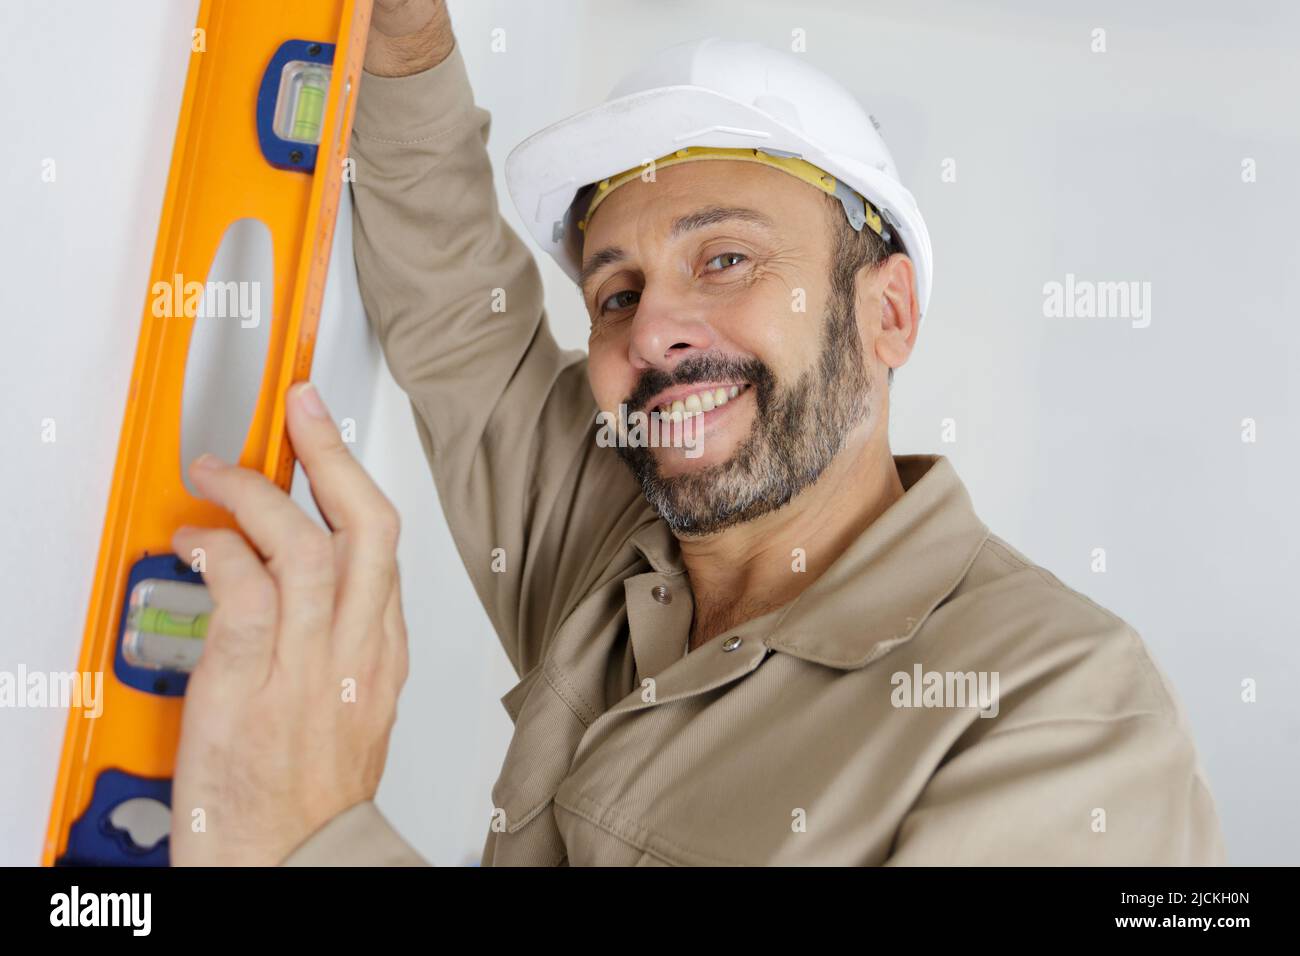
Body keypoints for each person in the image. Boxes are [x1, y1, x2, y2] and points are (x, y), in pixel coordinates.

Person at [169, 1, 1225, 865]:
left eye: (725, 259)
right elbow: (460, 319)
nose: (656, 332)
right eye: (615, 291)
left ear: (887, 311)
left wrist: (313, 832)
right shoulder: (612, 562)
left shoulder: (1062, 707)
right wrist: (403, 43)